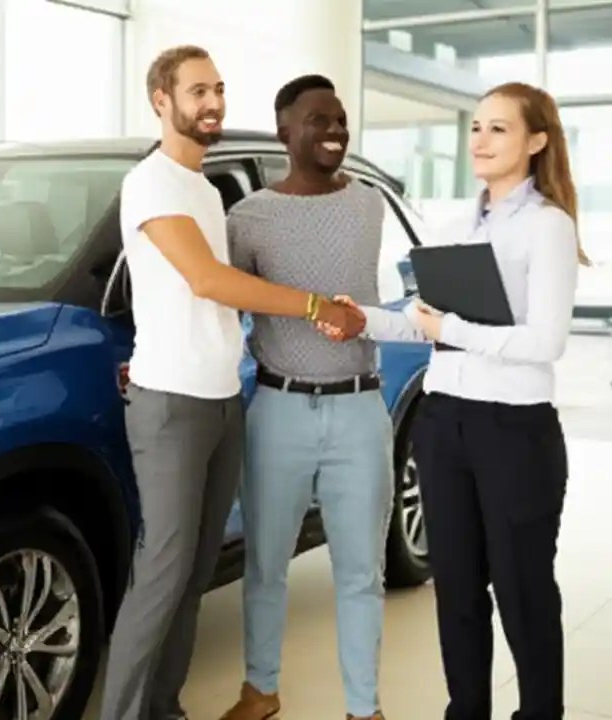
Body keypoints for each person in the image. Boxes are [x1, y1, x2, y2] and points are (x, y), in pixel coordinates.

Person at [99, 46, 365, 720]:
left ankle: (164, 709)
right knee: (161, 574)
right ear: (161, 101)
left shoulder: (206, 190)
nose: (213, 102)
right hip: (172, 402)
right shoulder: (152, 182)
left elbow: (208, 299)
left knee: (191, 575)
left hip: (220, 398)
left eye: (217, 89)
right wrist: (313, 305)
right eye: (197, 91)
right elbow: (207, 280)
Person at [345, 81, 584, 720]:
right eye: (476, 126)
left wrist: (449, 328)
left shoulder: (548, 226)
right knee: (456, 590)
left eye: (499, 128)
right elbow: (422, 321)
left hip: (514, 430)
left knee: (523, 591)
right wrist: (362, 320)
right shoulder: (456, 226)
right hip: (443, 422)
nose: (480, 139)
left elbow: (546, 341)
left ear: (536, 141)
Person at [217, 74, 392, 720]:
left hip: (359, 409)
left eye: (340, 119)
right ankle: (259, 691)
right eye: (319, 119)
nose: (335, 130)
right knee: (265, 565)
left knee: (361, 571)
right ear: (284, 131)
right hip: (279, 411)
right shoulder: (247, 219)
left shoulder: (370, 205)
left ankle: (364, 709)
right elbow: (222, 302)